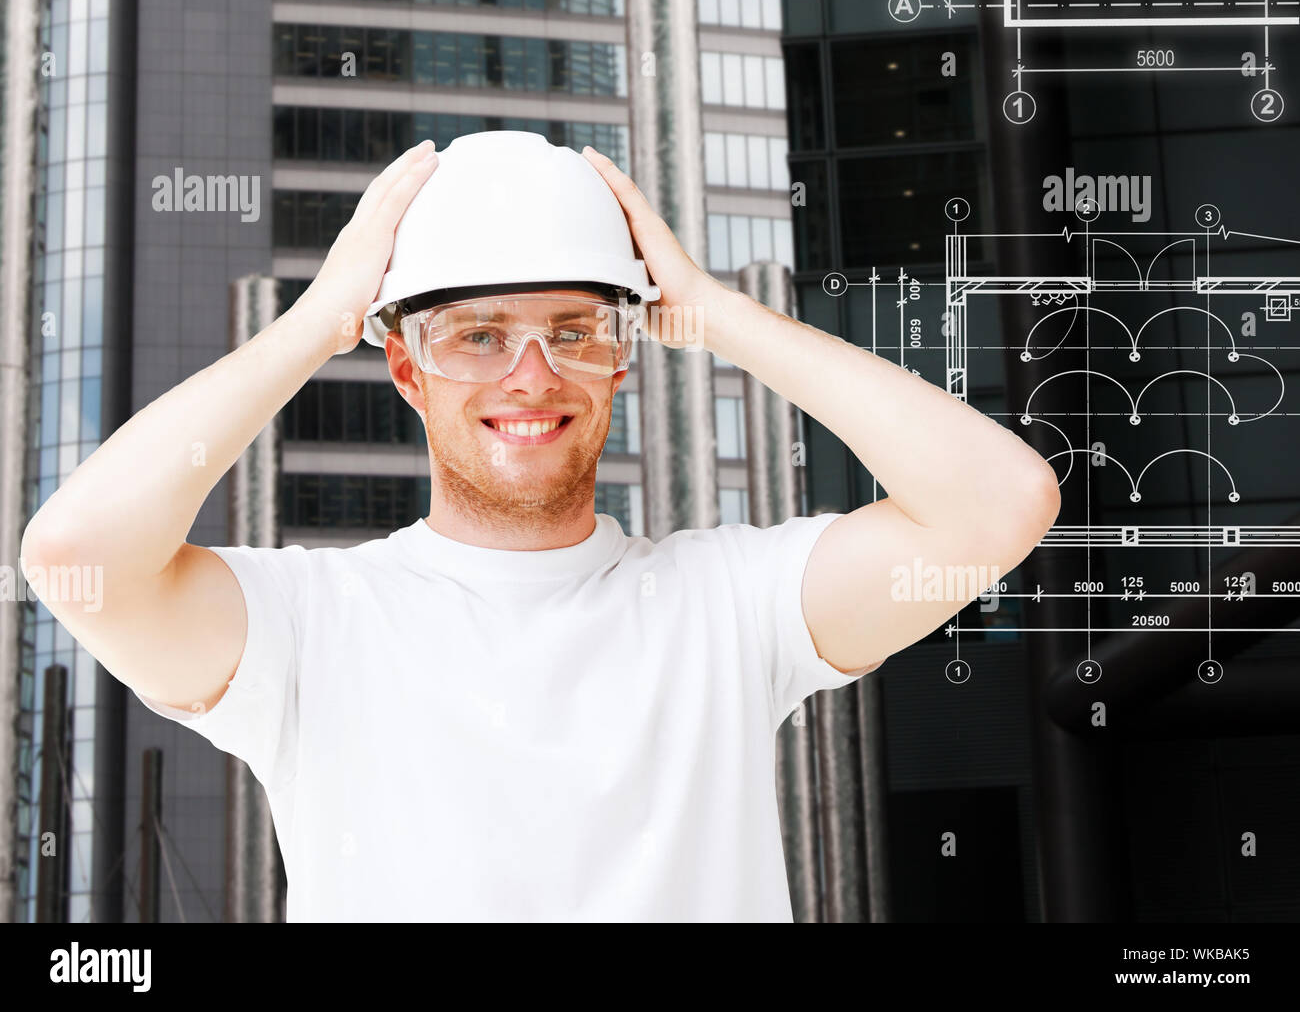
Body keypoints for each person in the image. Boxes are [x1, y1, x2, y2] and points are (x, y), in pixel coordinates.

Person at [21, 131, 1060, 922]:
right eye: (476, 336)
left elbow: (999, 503)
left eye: (573, 331)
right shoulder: (315, 625)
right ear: (403, 369)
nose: (532, 376)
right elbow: (78, 562)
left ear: (624, 352)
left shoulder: (730, 606)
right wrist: (314, 323)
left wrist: (713, 309)